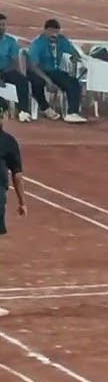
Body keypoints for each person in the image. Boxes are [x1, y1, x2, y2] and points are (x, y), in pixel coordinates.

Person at [26, 19, 87, 123]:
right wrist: (48, 81)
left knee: (73, 82)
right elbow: (33, 66)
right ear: (45, 31)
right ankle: (45, 107)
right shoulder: (37, 43)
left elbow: (73, 52)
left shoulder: (61, 40)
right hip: (38, 70)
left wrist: (74, 57)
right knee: (37, 83)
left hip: (54, 71)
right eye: (51, 32)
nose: (54, 35)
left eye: (56, 32)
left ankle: (72, 112)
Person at [0, 122, 27, 318]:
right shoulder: (8, 141)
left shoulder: (9, 141)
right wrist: (22, 202)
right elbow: (17, 176)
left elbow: (17, 175)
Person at [0, 14, 31, 122]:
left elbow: (14, 62)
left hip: (6, 70)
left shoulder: (11, 41)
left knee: (22, 80)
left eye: (3, 25)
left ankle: (23, 111)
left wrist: (2, 75)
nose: (2, 27)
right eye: (0, 25)